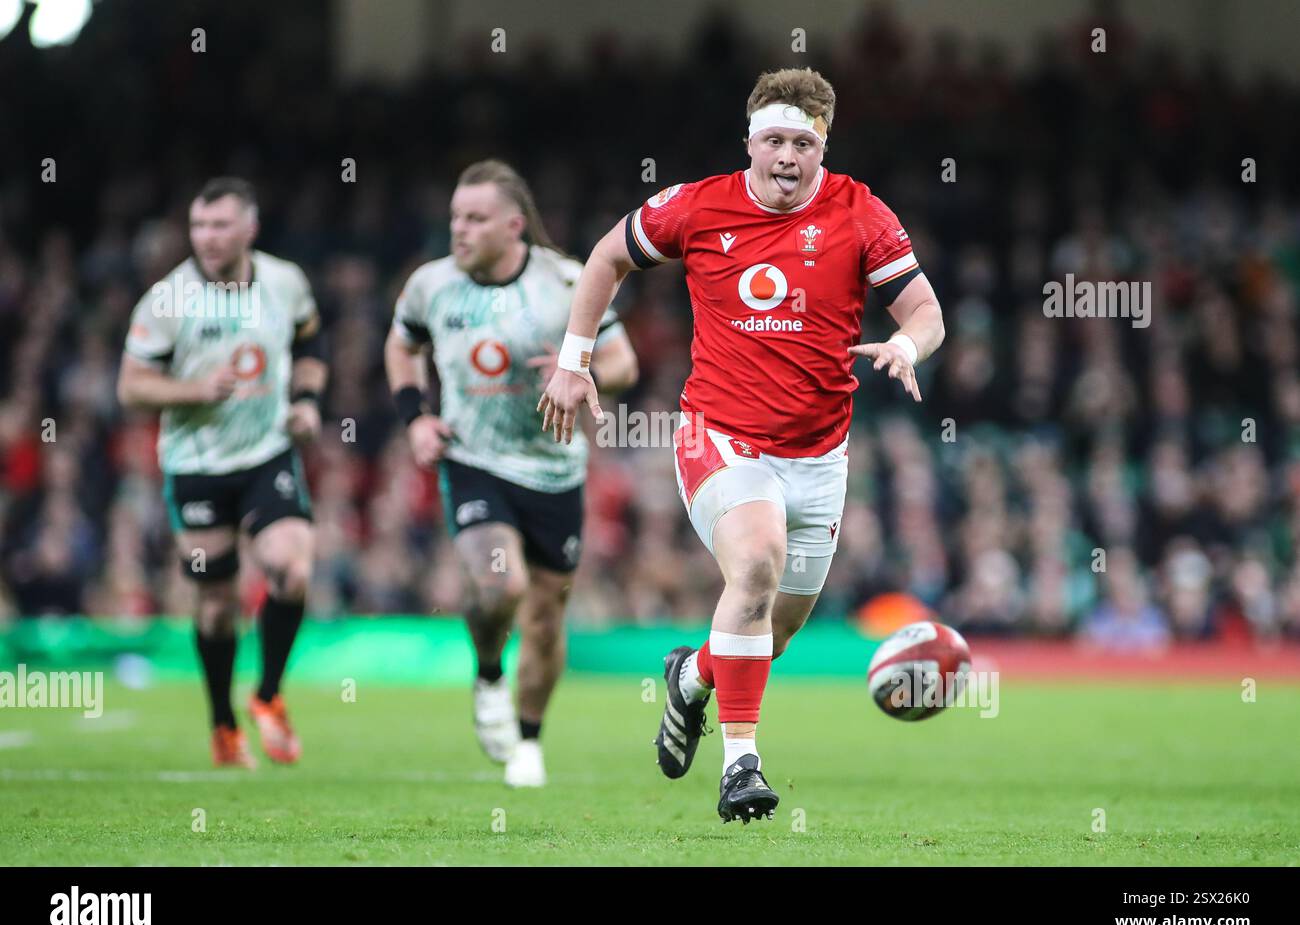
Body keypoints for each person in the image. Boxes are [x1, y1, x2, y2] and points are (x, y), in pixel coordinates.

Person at [539, 68, 945, 822]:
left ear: (824, 145)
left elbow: (924, 310)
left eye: (803, 142)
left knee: (776, 629)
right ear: (749, 142)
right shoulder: (696, 206)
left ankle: (690, 678)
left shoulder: (861, 212)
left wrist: (909, 347)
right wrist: (573, 362)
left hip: (819, 454)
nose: (787, 156)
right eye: (774, 140)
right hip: (720, 436)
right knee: (756, 564)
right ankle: (741, 768)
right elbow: (605, 258)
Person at [385, 160, 638, 787]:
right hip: (474, 460)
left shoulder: (568, 281)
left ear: (514, 225)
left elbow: (624, 363)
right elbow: (402, 345)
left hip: (554, 468)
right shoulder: (430, 285)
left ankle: (528, 740)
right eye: (455, 218)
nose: (460, 230)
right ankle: (490, 670)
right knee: (501, 586)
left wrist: (579, 373)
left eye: (475, 219)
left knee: (548, 617)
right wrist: (415, 416)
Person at [117, 177, 326, 768]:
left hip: (266, 454)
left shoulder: (285, 282)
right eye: (199, 227)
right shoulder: (167, 300)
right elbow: (131, 386)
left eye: (220, 226)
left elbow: (311, 342)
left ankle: (267, 696)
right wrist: (193, 390)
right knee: (215, 602)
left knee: (291, 565)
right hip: (198, 466)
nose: (207, 238)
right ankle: (222, 724)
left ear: (249, 229)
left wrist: (308, 402)